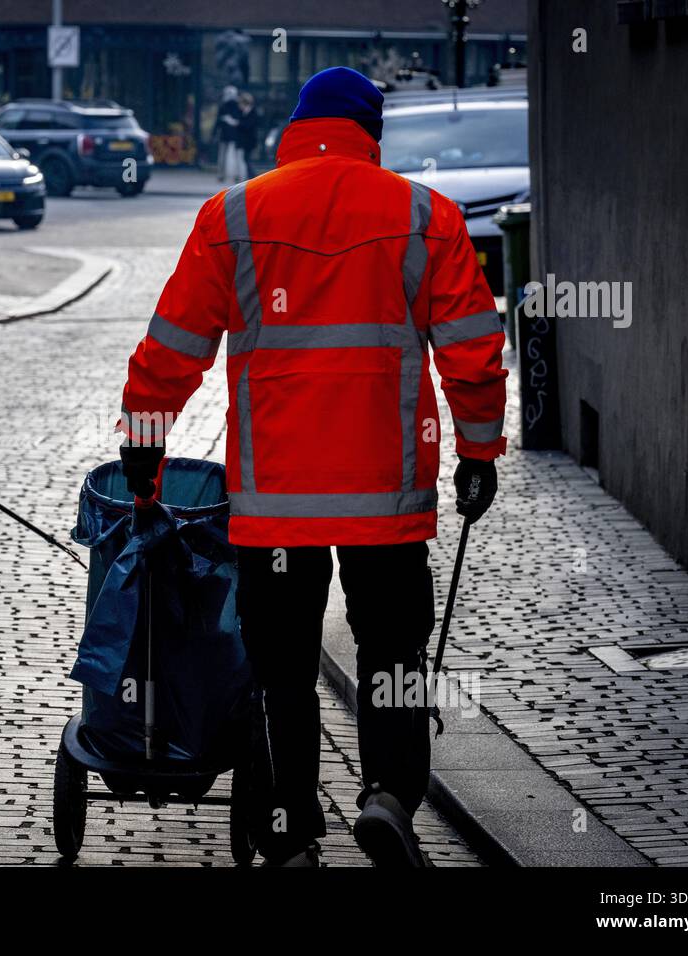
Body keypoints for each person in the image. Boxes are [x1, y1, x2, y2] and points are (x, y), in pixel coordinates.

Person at [117, 66, 506, 867]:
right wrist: (478, 452)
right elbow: (472, 352)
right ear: (372, 134)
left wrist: (144, 450)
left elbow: (172, 352)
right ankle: (390, 796)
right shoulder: (423, 215)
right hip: (385, 497)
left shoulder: (233, 214)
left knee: (280, 665)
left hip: (276, 501)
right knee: (394, 650)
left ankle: (290, 827)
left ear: (295, 125)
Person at [216, 85, 242, 182]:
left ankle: (223, 175)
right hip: (230, 134)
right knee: (231, 156)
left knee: (227, 156)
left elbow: (218, 121)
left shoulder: (225, 106)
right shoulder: (234, 106)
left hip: (228, 134)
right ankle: (233, 175)